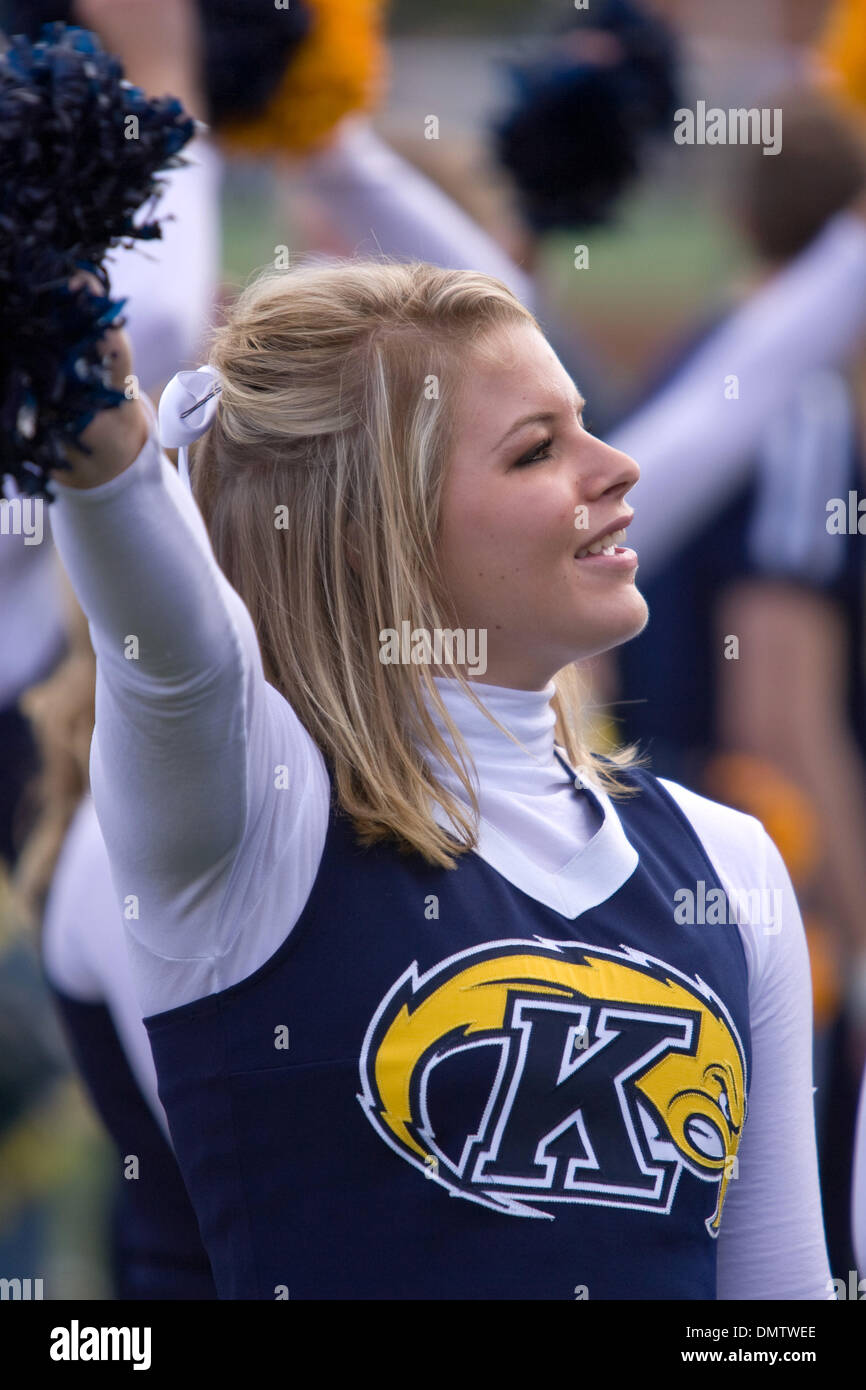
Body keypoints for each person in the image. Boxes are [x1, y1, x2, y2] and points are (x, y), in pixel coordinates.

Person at [42, 256, 832, 1299]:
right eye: (536, 451)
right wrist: (100, 442)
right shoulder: (258, 824)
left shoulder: (724, 862)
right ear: (377, 531)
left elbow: (774, 1305)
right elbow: (179, 654)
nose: (619, 466)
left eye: (582, 422)